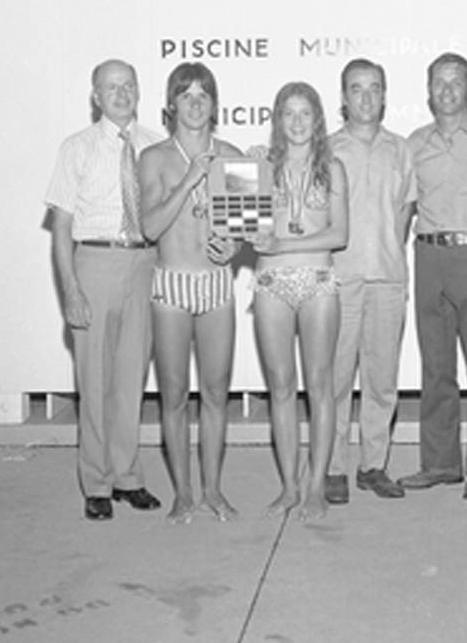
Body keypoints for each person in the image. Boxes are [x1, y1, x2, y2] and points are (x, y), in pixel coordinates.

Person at [45, 59, 162, 521]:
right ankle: (95, 482)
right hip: (94, 262)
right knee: (93, 383)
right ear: (96, 96)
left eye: (129, 85)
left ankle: (128, 476)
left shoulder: (155, 146)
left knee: (131, 380)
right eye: (112, 87)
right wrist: (70, 289)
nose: (122, 93)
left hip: (145, 264)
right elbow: (60, 228)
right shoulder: (76, 148)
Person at [399, 52, 467, 501]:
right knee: (436, 367)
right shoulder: (414, 144)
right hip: (428, 256)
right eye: (439, 83)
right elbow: (404, 206)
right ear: (429, 92)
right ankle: (441, 463)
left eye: (456, 82)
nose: (447, 91)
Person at [138, 62, 244, 525]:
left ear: (216, 105)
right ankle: (183, 492)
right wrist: (189, 181)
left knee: (217, 394)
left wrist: (233, 244)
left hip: (216, 285)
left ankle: (214, 490)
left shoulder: (234, 154)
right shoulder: (154, 159)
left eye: (204, 95)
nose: (196, 103)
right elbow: (150, 227)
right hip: (172, 286)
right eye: (187, 95)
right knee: (175, 396)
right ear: (171, 105)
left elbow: (245, 232)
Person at [251, 82, 348, 521]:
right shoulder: (259, 168)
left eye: (305, 113)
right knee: (281, 387)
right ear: (277, 120)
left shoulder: (334, 169)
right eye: (288, 113)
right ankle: (289, 485)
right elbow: (247, 234)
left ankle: (315, 486)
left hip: (318, 280)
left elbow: (339, 234)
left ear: (318, 119)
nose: (296, 122)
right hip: (271, 283)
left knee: (320, 385)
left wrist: (282, 246)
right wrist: (255, 239)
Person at [325, 58, 416, 504]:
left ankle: (373, 465)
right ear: (343, 97)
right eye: (356, 89)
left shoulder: (401, 150)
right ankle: (334, 467)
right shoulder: (325, 150)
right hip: (339, 280)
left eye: (373, 88)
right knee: (337, 377)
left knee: (381, 380)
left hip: (387, 278)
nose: (365, 97)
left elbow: (403, 215)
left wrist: (390, 259)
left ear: (384, 96)